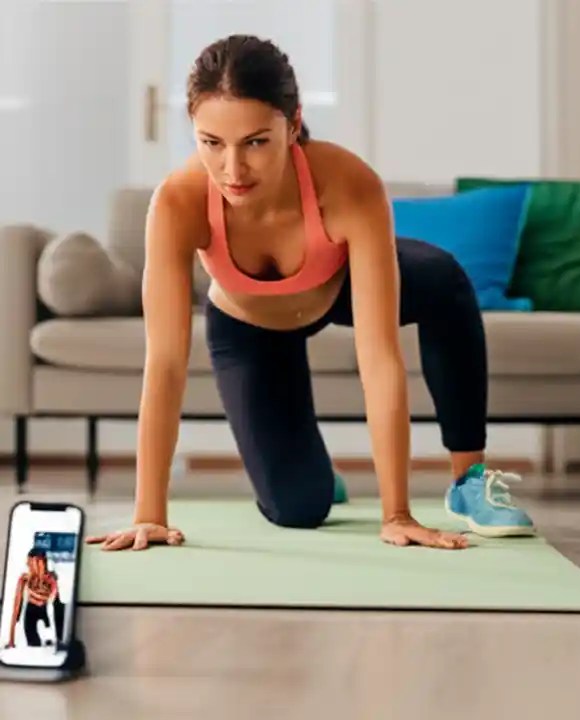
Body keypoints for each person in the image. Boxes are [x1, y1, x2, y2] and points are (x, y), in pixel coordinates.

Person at [86, 35, 535, 553]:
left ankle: (469, 481)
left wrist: (397, 514)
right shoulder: (176, 202)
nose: (232, 170)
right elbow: (164, 363)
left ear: (292, 123)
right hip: (252, 328)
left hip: (338, 286)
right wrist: (149, 514)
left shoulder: (348, 184)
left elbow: (379, 356)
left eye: (255, 142)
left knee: (444, 278)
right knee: (299, 508)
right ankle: (313, 470)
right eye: (211, 143)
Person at [6, 549, 59, 648]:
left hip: (46, 611)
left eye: (30, 561)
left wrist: (38, 595)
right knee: (33, 644)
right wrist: (11, 640)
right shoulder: (24, 578)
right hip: (31, 611)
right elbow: (16, 606)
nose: (27, 564)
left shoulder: (51, 579)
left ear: (40, 561)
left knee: (50, 644)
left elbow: (54, 599)